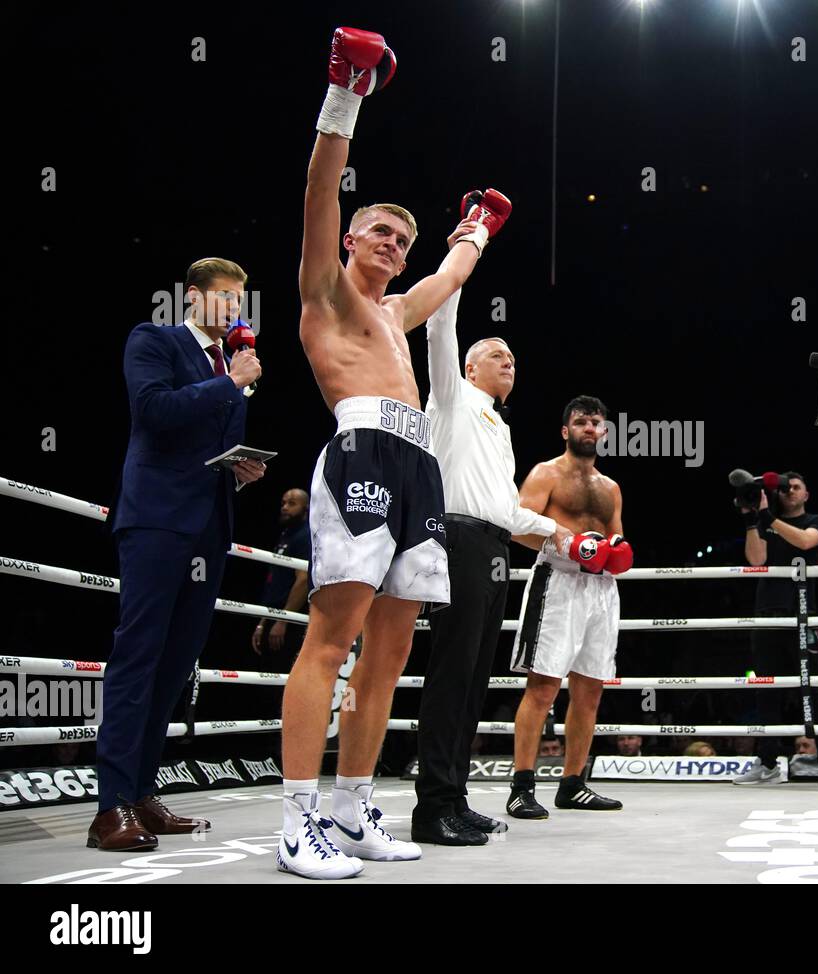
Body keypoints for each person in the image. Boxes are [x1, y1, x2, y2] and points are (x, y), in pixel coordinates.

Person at [277, 26, 504, 880]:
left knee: (394, 650)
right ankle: (298, 816)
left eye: (401, 240)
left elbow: (448, 282)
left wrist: (474, 229)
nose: (391, 245)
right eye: (379, 232)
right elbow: (318, 195)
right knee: (332, 640)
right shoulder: (326, 294)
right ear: (349, 240)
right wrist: (348, 92)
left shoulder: (399, 313)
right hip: (362, 454)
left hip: (417, 472)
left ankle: (350, 805)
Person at [92, 257, 265, 851]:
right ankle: (109, 807)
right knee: (138, 655)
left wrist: (242, 471)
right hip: (157, 518)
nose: (234, 310)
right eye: (223, 298)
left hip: (209, 526)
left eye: (241, 301)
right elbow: (154, 413)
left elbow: (211, 444)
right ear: (192, 297)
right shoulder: (154, 340)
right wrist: (230, 383)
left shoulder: (229, 366)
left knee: (176, 664)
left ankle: (141, 793)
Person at [411, 280, 573, 847]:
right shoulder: (452, 399)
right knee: (453, 674)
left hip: (494, 546)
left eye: (512, 357)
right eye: (496, 355)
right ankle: (431, 806)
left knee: (476, 679)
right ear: (470, 369)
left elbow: (504, 507)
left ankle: (453, 797)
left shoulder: (498, 426)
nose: (508, 361)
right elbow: (437, 329)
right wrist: (459, 269)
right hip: (455, 540)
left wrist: (560, 533)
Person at [506, 396, 634, 819]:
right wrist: (569, 545)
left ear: (605, 432)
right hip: (557, 583)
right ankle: (521, 786)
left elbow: (616, 538)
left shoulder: (611, 487)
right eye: (581, 422)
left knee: (591, 690)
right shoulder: (547, 473)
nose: (589, 428)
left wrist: (615, 551)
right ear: (566, 431)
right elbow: (517, 527)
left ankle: (573, 783)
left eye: (596, 423)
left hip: (601, 591)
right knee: (543, 687)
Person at [731, 473, 818, 786]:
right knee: (766, 689)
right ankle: (767, 763)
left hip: (803, 612)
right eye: (785, 487)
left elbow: (806, 541)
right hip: (767, 614)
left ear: (807, 494)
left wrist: (768, 518)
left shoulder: (817, 519)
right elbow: (756, 559)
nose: (789, 491)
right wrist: (753, 520)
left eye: (796, 487)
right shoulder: (767, 521)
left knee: (814, 689)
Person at [252, 489, 310, 659]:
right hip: (274, 614)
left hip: (289, 617)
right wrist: (263, 622)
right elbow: (274, 584)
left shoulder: (305, 536)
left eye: (292, 503)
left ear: (306, 508)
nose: (285, 507)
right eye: (283, 503)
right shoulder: (286, 535)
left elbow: (304, 580)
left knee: (282, 672)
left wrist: (283, 620)